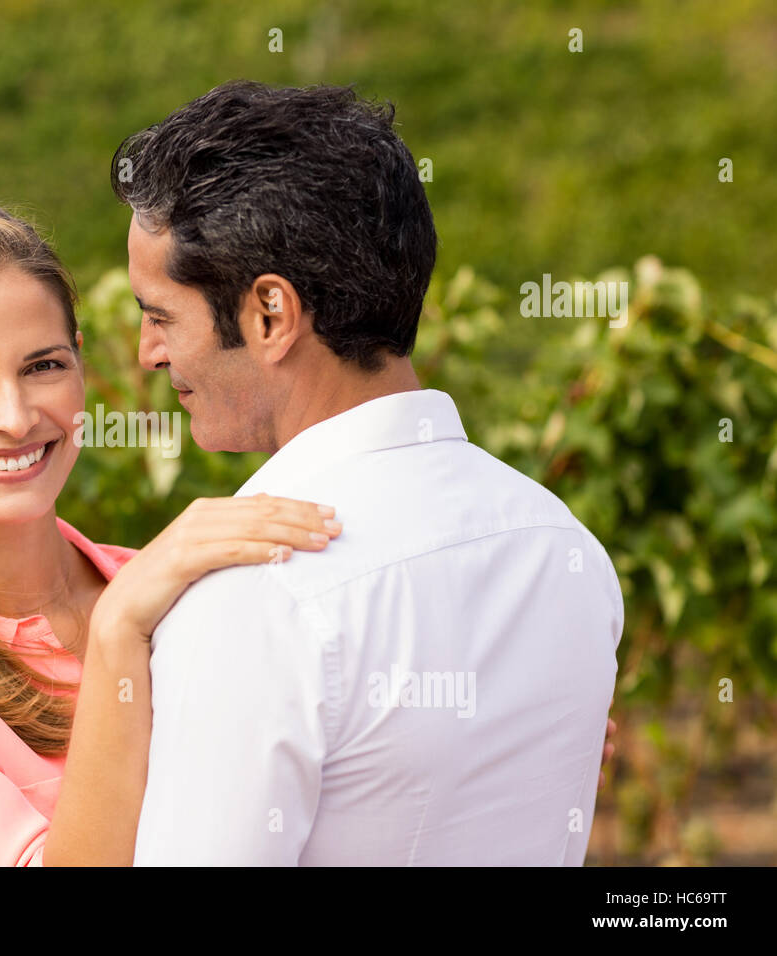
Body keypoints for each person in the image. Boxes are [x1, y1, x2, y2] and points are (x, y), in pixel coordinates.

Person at [106, 81, 624, 865]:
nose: (148, 354)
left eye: (158, 315)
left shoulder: (256, 591)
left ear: (270, 316)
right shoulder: (566, 548)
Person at [0, 200, 343, 865]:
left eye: (43, 367)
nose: (15, 416)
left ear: (81, 365)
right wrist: (115, 633)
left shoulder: (175, 594)